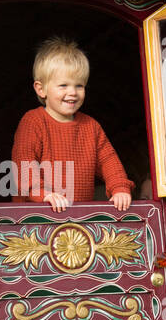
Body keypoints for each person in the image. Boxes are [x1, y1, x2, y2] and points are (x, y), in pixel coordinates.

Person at [11, 37, 133, 212]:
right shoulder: (33, 121)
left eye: (79, 86)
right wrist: (44, 194)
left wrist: (120, 188)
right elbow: (24, 164)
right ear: (41, 89)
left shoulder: (91, 126)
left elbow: (109, 162)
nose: (72, 92)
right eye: (63, 85)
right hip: (36, 218)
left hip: (78, 217)